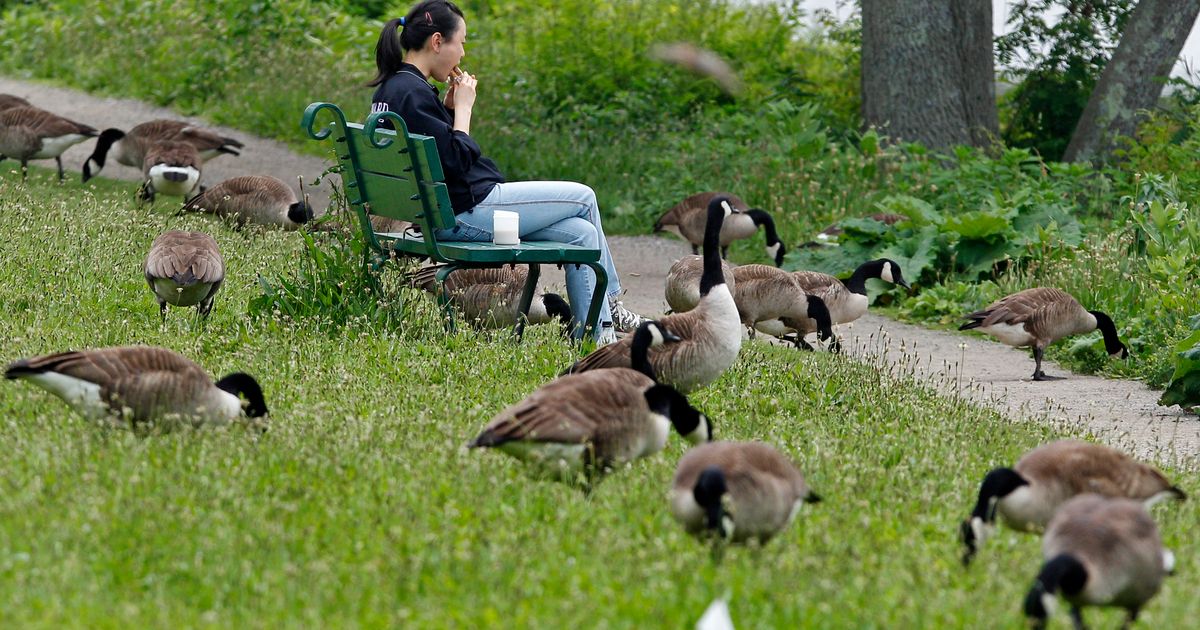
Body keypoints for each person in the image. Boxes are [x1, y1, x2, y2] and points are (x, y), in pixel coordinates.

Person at [368, 0, 646, 343]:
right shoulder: (412, 92)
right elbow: (456, 160)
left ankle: (595, 337)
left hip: (440, 210)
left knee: (581, 234)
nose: (462, 54)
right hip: (465, 212)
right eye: (462, 43)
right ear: (438, 42)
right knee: (584, 197)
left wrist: (447, 109)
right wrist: (464, 111)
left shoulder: (394, 89)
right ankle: (613, 306)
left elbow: (432, 154)